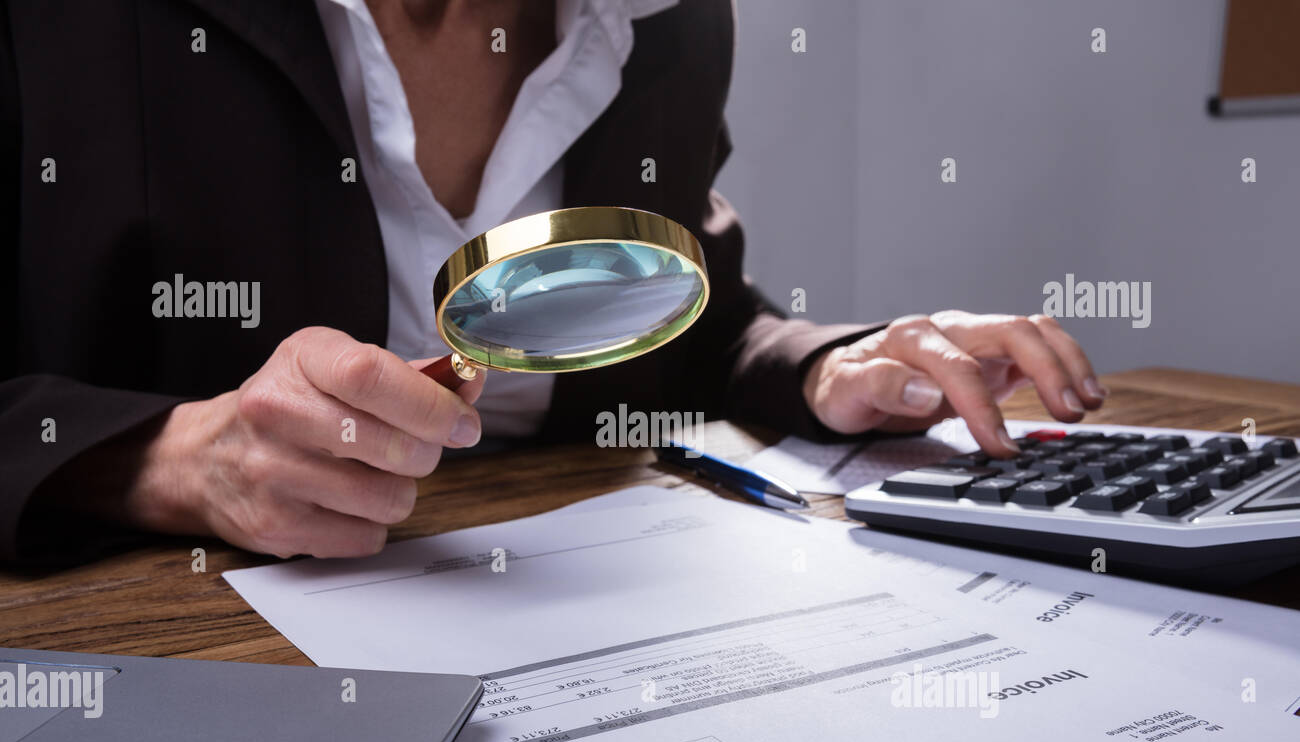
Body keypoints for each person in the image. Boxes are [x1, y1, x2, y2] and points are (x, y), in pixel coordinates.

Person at [0, 0, 1104, 565]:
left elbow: (673, 307)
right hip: (169, 638)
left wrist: (819, 362)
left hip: (576, 604)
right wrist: (156, 461)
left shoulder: (666, 18)